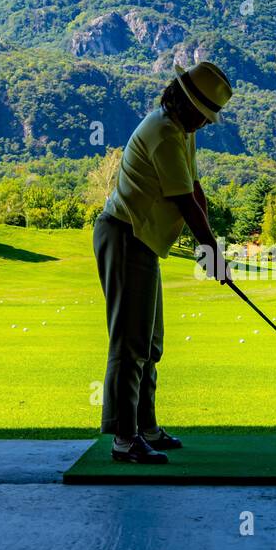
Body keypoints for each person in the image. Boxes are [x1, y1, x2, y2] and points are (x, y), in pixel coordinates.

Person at [92, 62, 233, 464]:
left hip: (142, 242)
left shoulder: (179, 129)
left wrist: (212, 252)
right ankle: (124, 439)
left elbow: (195, 190)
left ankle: (146, 426)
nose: (205, 125)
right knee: (129, 343)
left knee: (149, 343)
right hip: (124, 236)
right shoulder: (164, 135)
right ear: (187, 103)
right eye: (203, 116)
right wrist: (211, 253)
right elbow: (185, 205)